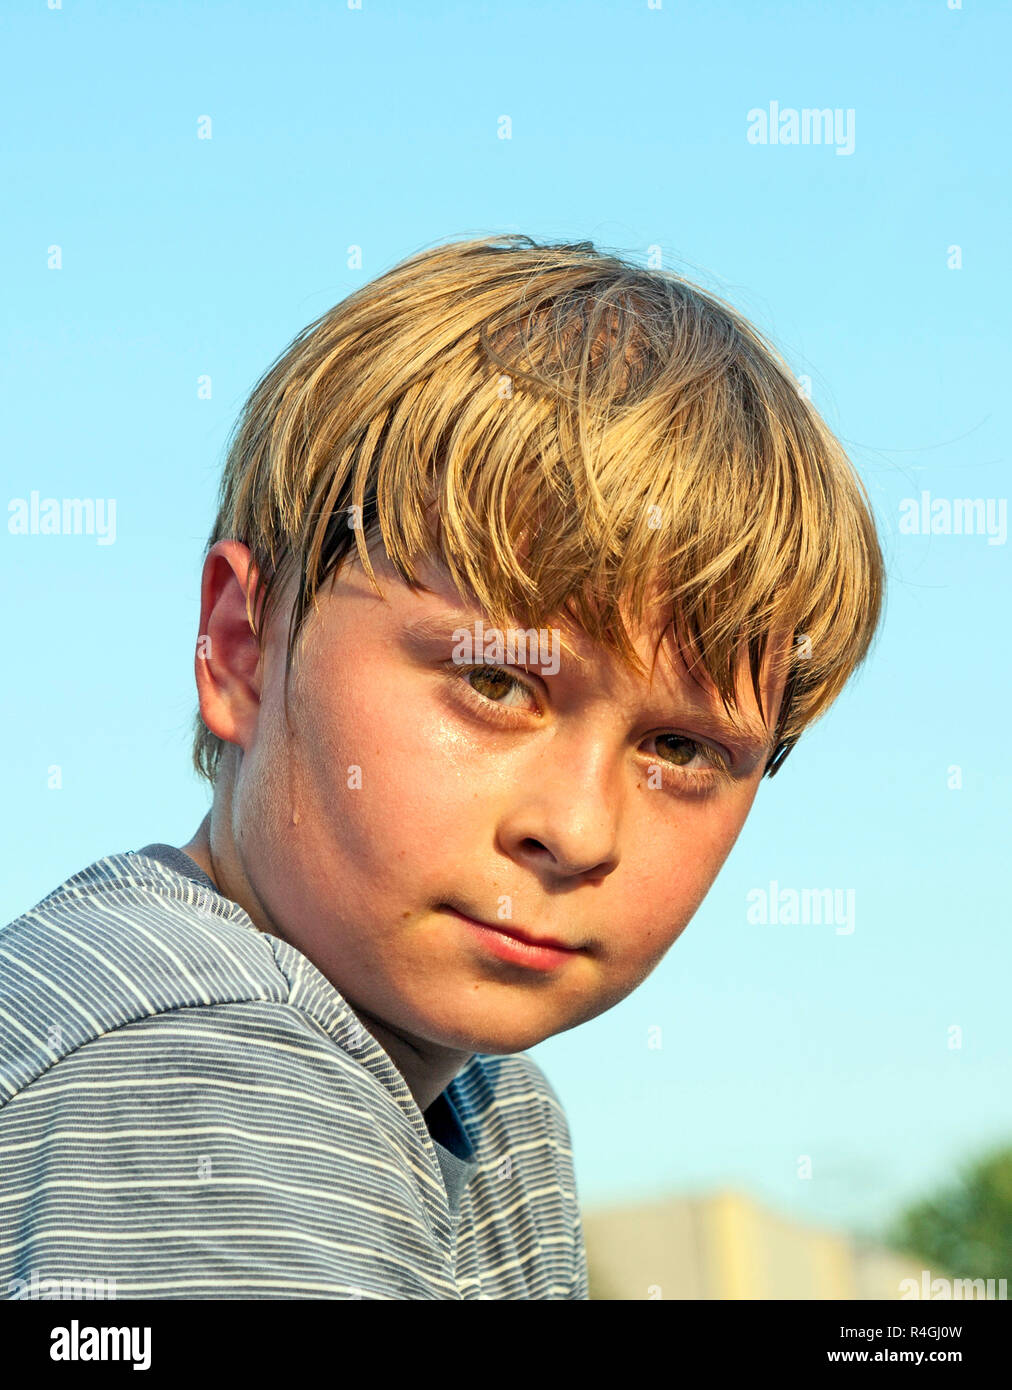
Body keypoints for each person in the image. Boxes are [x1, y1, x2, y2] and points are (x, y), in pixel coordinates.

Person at [0, 234, 883, 1300]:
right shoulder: (206, 1066)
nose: (576, 828)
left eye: (681, 749)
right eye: (496, 685)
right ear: (240, 646)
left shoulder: (492, 1112)